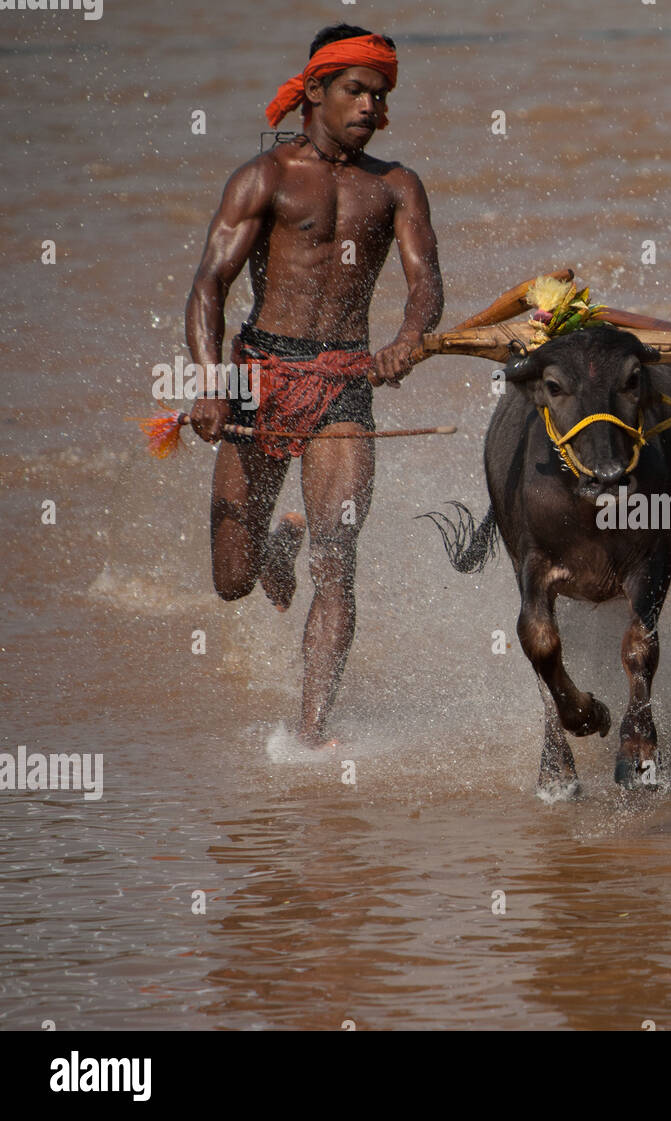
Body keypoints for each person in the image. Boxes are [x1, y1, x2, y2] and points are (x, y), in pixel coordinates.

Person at [185, 22, 443, 746]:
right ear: (316, 91)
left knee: (337, 560)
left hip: (342, 383)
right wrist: (210, 384)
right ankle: (272, 547)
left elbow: (426, 283)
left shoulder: (395, 187)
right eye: (356, 90)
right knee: (232, 580)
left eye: (380, 93)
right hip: (259, 377)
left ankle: (311, 731)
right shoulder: (264, 179)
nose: (369, 105)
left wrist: (407, 339)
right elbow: (209, 284)